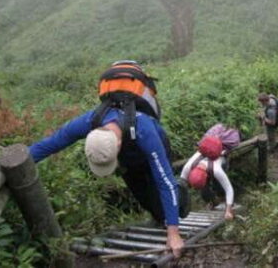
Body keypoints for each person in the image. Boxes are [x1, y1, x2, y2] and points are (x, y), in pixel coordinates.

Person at [28, 61, 187, 258]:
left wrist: (174, 234)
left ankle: (182, 199)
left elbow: (165, 181)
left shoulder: (144, 128)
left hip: (153, 152)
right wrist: (15, 162)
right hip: (129, 161)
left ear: (118, 144)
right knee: (144, 199)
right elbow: (51, 143)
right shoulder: (90, 120)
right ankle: (159, 217)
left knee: (163, 192)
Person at [179, 125, 239, 221]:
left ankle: (221, 198)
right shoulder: (188, 167)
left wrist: (228, 211)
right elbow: (180, 187)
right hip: (207, 163)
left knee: (220, 185)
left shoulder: (217, 170)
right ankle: (214, 201)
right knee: (204, 192)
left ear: (206, 175)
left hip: (221, 159)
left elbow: (229, 189)